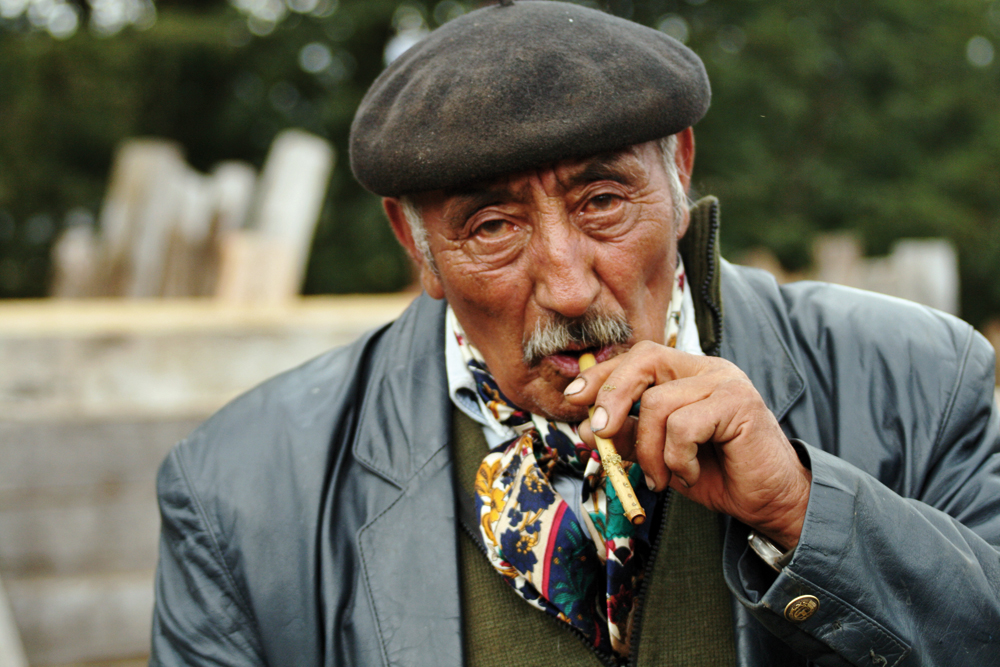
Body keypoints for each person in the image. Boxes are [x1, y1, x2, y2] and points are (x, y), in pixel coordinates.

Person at [150, 2, 1000, 666]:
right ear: (416, 244)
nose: (565, 284)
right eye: (491, 227)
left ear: (681, 170)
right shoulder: (237, 494)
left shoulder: (922, 375)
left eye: (602, 202)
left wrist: (801, 509)